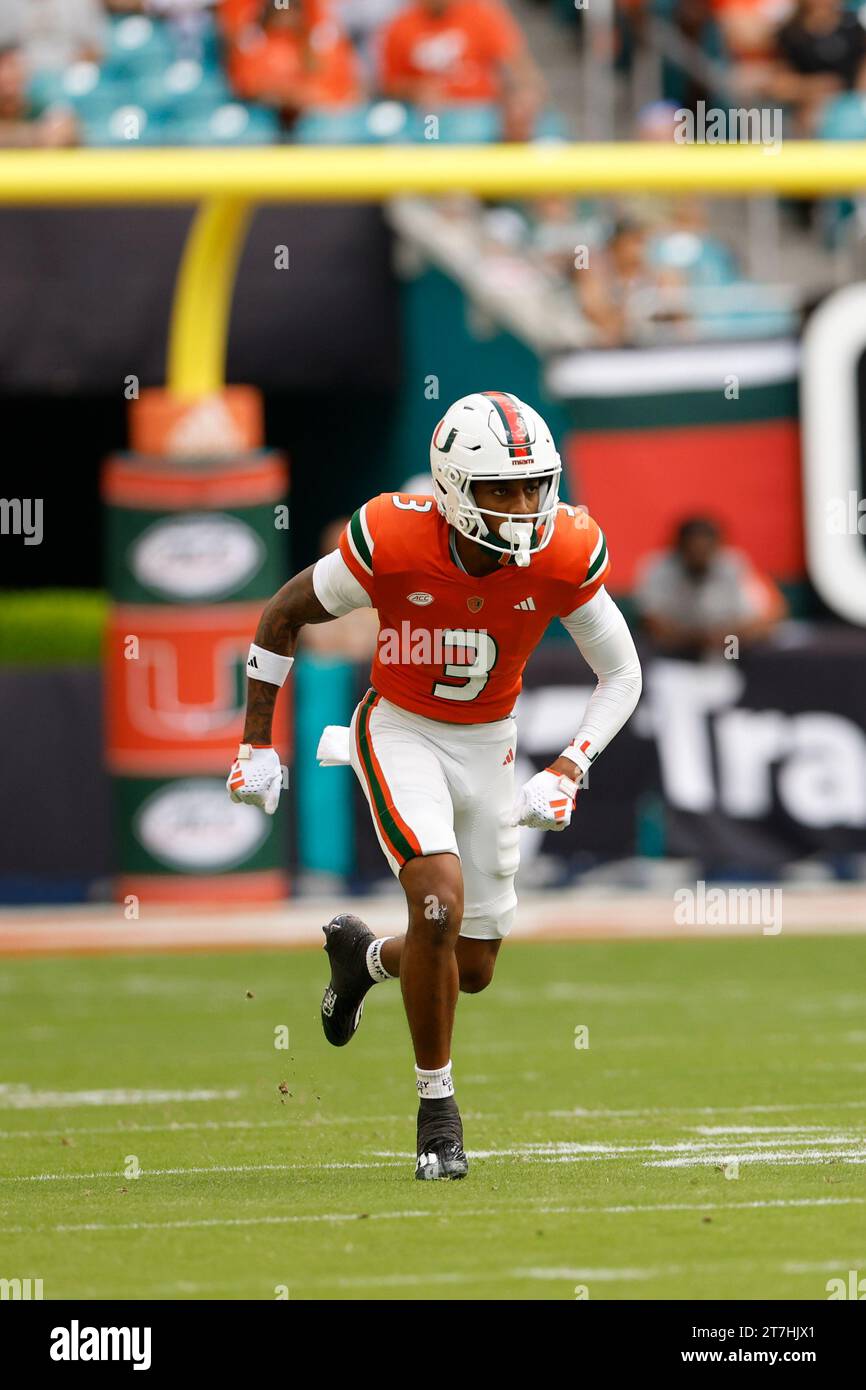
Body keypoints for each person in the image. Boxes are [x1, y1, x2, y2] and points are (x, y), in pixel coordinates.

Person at [227, 391, 642, 1180]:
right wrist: (254, 743)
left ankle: (365, 961)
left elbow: (621, 672)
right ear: (454, 486)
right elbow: (283, 614)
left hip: (490, 744)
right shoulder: (393, 536)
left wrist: (569, 764)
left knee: (473, 964)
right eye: (500, 489)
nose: (522, 507)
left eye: (533, 486)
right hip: (400, 731)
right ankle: (437, 1116)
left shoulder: (564, 549)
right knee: (439, 900)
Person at [377, 0, 544, 140]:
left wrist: (519, 97)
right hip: (427, 120)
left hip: (482, 114)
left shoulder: (481, 14)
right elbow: (389, 85)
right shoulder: (399, 25)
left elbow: (519, 69)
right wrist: (416, 90)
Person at [635, 516, 786, 659]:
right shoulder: (658, 569)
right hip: (674, 653)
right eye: (692, 550)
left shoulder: (734, 566)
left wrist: (725, 637)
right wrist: (697, 640)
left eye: (705, 550)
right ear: (679, 548)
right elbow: (652, 623)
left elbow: (770, 615)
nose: (699, 556)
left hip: (729, 648)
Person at [771, 0, 866, 134]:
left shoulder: (853, 26)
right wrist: (812, 88)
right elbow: (780, 85)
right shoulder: (790, 32)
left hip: (850, 104)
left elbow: (863, 73)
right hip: (807, 107)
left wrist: (852, 100)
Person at [0, 42, 78, 146]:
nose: (7, 74)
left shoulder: (41, 102)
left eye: (13, 66)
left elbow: (61, 131)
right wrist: (33, 135)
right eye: (2, 67)